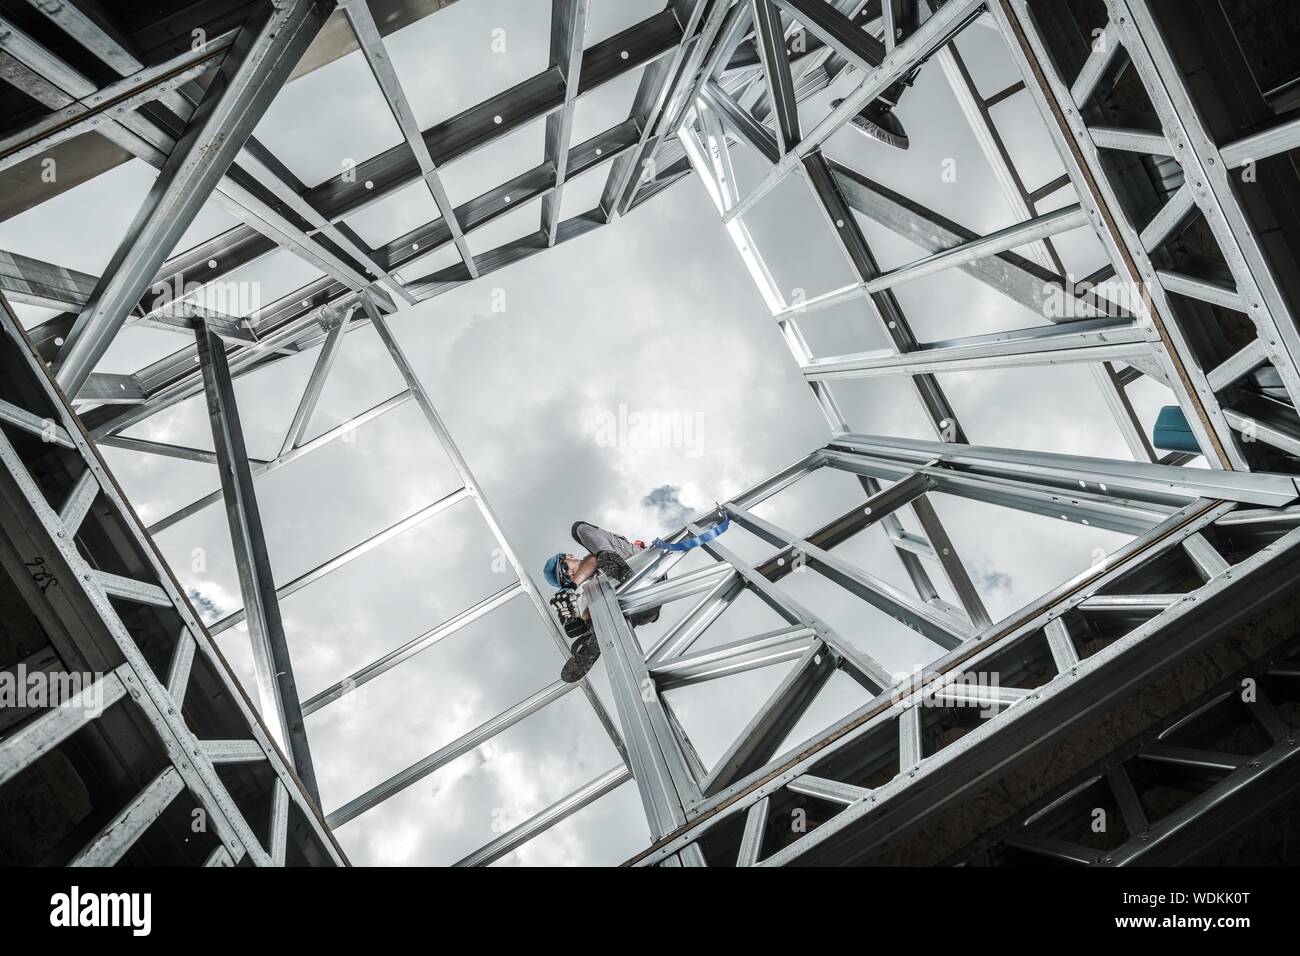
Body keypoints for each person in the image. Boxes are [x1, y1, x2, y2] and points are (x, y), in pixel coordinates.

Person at [544, 521, 661, 683]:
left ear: (569, 557)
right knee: (590, 599)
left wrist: (570, 587)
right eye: (564, 579)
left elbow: (593, 561)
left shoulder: (592, 558)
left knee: (578, 529)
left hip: (639, 563)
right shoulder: (587, 588)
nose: (568, 574)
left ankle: (619, 569)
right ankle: (595, 638)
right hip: (644, 606)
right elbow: (586, 607)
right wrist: (573, 617)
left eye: (564, 568)